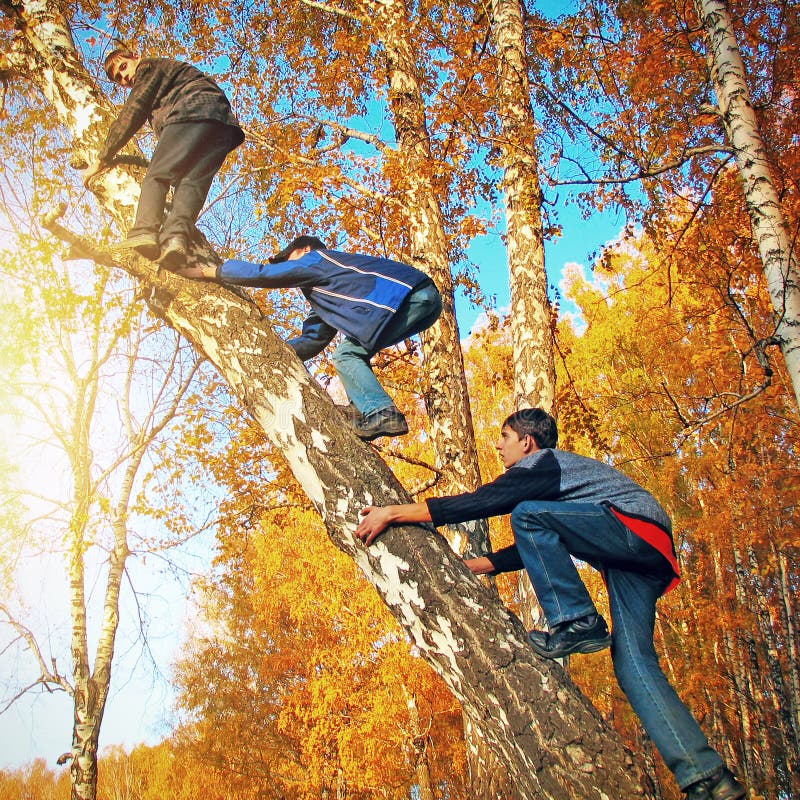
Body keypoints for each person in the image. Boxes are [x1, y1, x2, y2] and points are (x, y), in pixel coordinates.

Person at [355, 408, 747, 800]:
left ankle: (577, 622)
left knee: (526, 514)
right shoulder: (557, 483)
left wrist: (393, 512)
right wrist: (476, 566)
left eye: (504, 436)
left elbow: (485, 501)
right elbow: (539, 541)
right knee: (633, 666)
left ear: (526, 442)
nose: (497, 445)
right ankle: (708, 779)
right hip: (639, 558)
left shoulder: (545, 462)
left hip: (632, 532)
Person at [178, 235, 442, 441]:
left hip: (407, 297)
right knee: (352, 353)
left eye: (288, 260)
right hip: (419, 303)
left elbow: (263, 274)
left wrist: (212, 271)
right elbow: (314, 338)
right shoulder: (330, 290)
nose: (289, 267)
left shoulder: (319, 259)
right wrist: (276, 352)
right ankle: (364, 408)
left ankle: (381, 413)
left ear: (305, 250)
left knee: (347, 354)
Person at [82, 49, 244, 268]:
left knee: (157, 175)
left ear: (134, 57)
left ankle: (143, 232)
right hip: (221, 127)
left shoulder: (148, 68)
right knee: (190, 184)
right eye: (119, 79)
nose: (125, 77)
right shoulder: (165, 73)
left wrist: (101, 158)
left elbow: (134, 109)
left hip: (192, 110)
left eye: (123, 67)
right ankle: (175, 239)